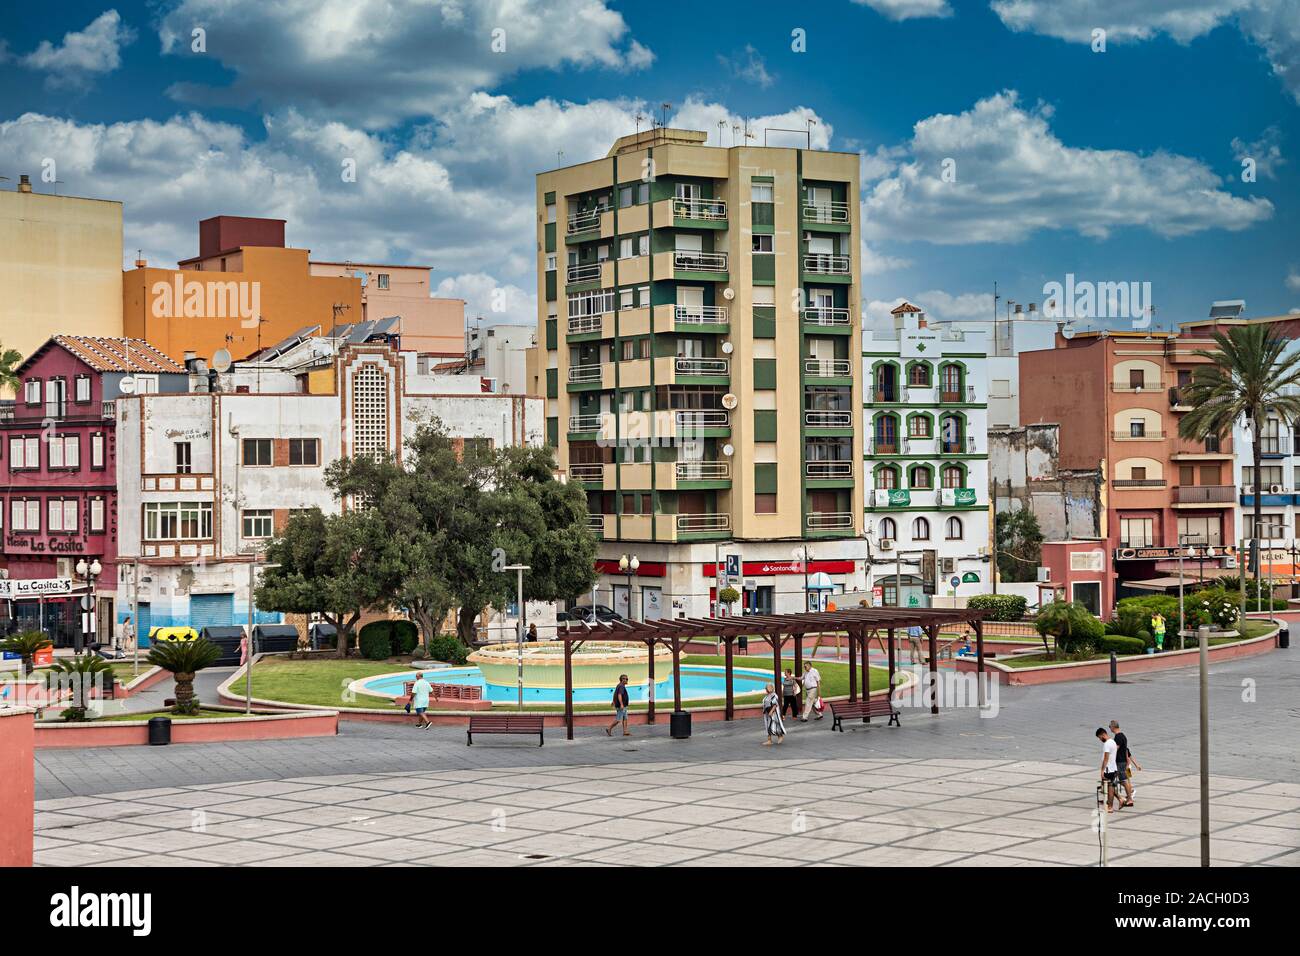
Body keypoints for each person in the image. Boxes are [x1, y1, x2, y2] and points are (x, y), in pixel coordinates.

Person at [1109, 719, 1142, 807]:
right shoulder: (1122, 735)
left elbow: (1115, 749)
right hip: (1122, 762)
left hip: (1120, 762)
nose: (1109, 728)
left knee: (1123, 780)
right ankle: (1124, 797)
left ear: (1113, 726)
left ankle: (1130, 798)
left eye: (1109, 726)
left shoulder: (1118, 737)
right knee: (1117, 780)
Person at [1096, 726, 1122, 812]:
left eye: (1100, 737)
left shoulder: (1107, 744)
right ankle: (1115, 802)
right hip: (1113, 768)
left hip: (1108, 769)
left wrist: (1102, 770)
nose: (1100, 739)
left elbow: (1106, 758)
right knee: (1110, 787)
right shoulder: (1113, 742)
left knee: (1108, 788)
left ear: (1103, 734)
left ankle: (1110, 806)